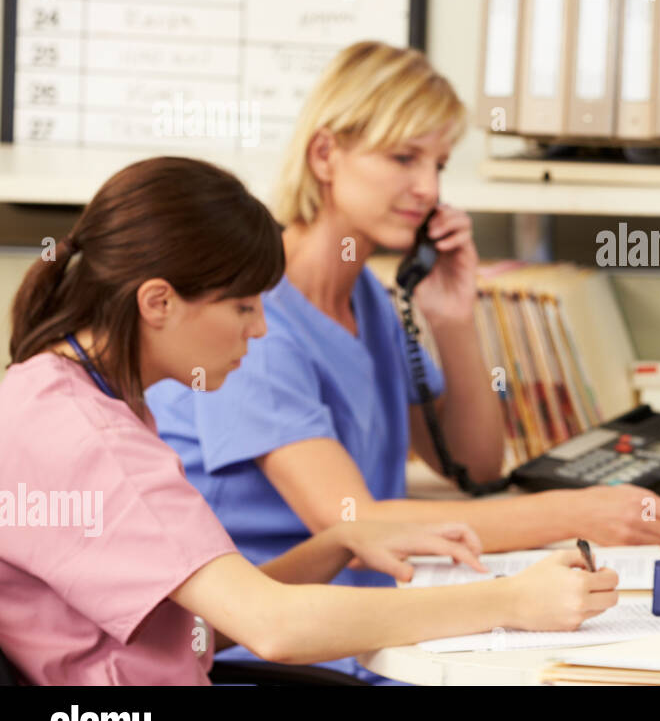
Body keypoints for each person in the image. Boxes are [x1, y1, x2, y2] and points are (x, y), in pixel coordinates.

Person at [145, 42, 660, 679]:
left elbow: (474, 465)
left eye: (438, 163)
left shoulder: (370, 301)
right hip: (268, 646)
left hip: (364, 616)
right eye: (403, 157)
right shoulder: (255, 319)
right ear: (325, 155)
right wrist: (586, 512)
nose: (428, 189)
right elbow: (354, 520)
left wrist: (454, 318)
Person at [0, 157, 618, 685]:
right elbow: (273, 627)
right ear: (158, 302)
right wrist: (508, 601)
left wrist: (338, 543)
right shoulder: (93, 439)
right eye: (243, 306)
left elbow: (199, 625)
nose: (260, 328)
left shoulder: (63, 394)